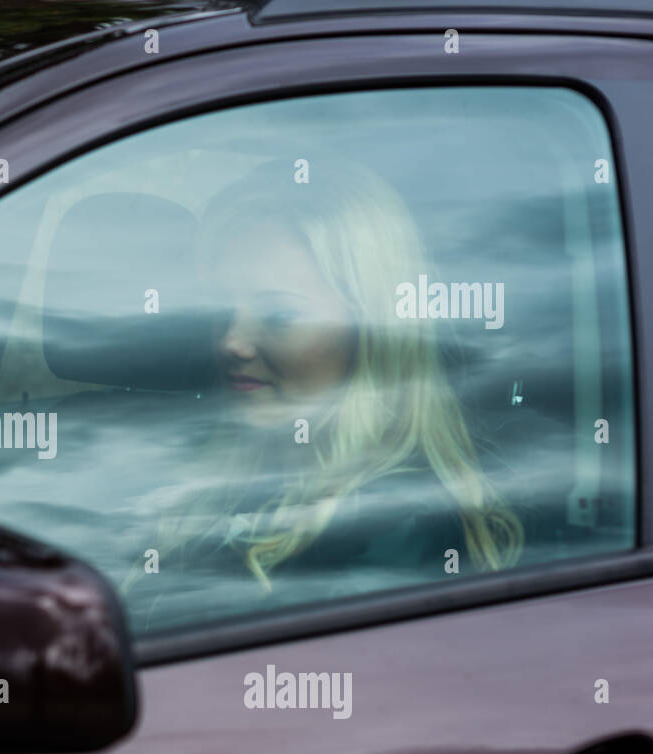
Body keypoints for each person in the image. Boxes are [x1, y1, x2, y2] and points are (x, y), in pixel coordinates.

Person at [121, 158, 523, 631]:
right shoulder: (229, 484)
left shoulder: (399, 531)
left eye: (279, 314)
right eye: (220, 308)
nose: (232, 341)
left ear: (371, 333)